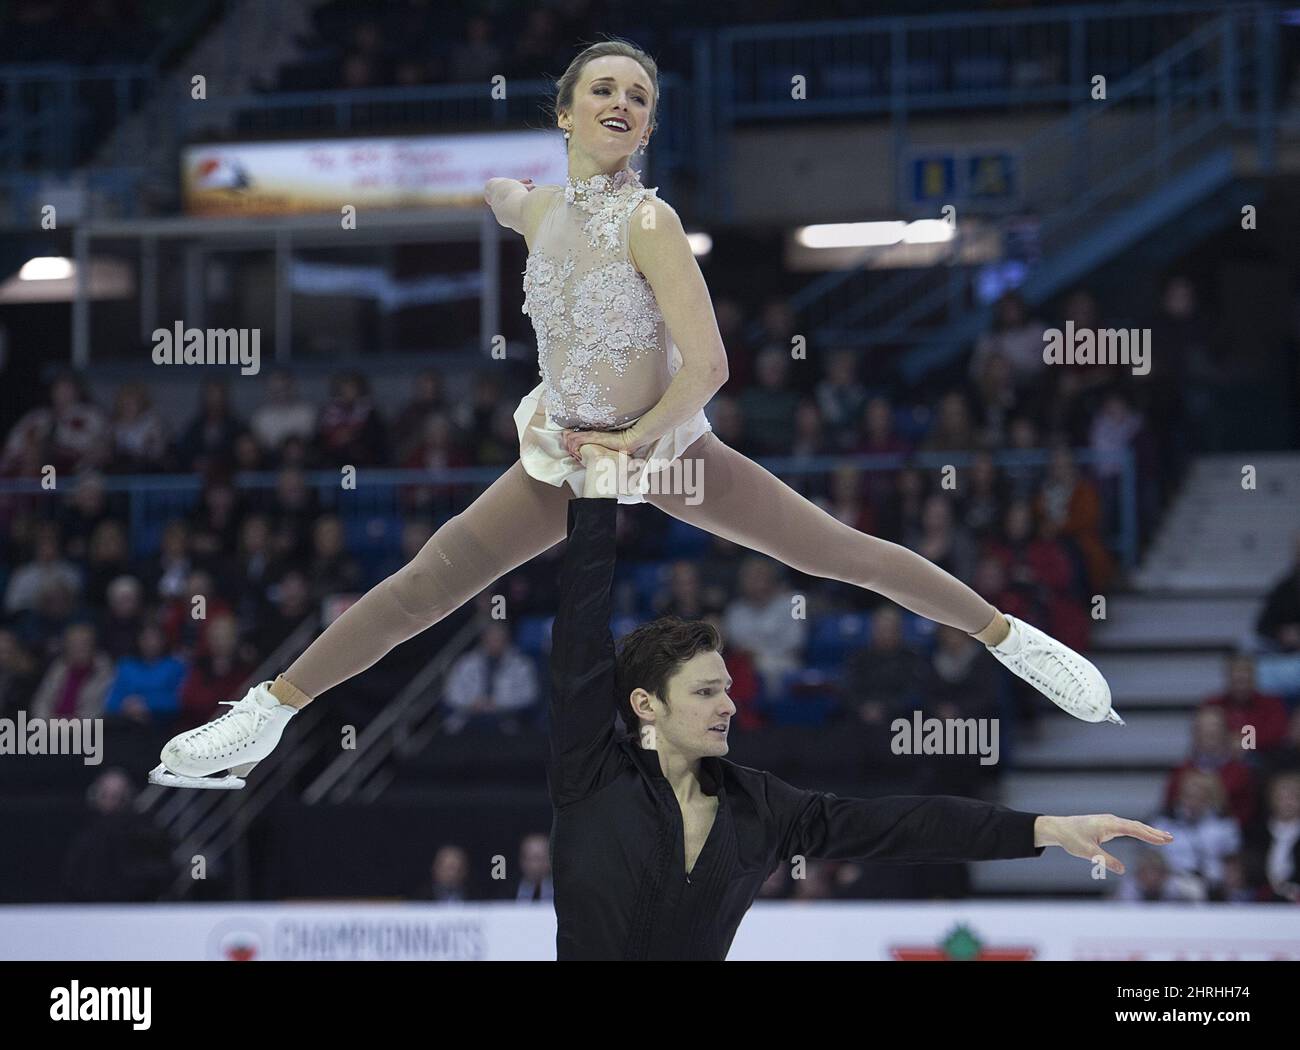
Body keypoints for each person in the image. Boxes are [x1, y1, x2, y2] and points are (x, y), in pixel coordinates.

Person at [149, 39, 1117, 791]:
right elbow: (509, 198)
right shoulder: (541, 215)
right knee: (424, 584)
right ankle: (265, 714)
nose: (622, 104)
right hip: (562, 455)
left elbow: (709, 366)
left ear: (646, 131)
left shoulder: (647, 222)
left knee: (835, 552)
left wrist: (633, 442)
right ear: (564, 112)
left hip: (663, 451)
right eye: (604, 90)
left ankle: (1012, 641)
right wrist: (498, 192)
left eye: (639, 98)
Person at [544, 445, 1169, 959]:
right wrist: (596, 500)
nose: (729, 705)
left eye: (727, 689)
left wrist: (1044, 829)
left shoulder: (756, 807)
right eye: (706, 692)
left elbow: (900, 825)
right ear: (645, 705)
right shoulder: (591, 770)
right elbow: (580, 630)